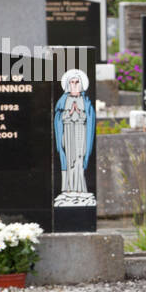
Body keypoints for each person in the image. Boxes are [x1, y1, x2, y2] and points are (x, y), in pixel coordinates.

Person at [54, 69, 96, 205]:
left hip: (81, 132)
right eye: (71, 83)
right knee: (69, 159)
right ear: (67, 85)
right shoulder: (62, 101)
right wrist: (70, 112)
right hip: (68, 132)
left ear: (81, 84)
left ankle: (80, 188)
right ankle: (68, 188)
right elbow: (59, 118)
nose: (74, 85)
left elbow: (89, 119)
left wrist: (79, 112)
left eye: (77, 82)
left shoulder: (86, 102)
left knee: (79, 158)